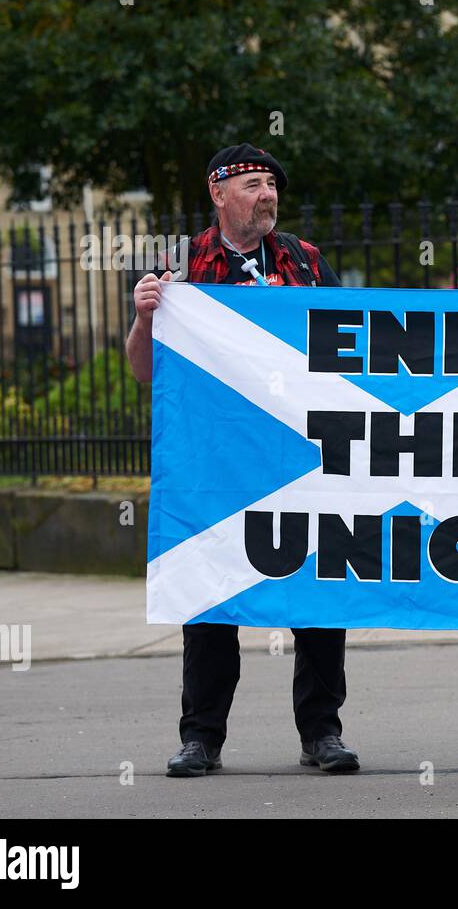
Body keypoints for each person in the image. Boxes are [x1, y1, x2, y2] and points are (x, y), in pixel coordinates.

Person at [126, 143, 359, 777]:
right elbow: (147, 371)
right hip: (217, 466)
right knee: (209, 597)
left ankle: (321, 734)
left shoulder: (306, 263)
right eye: (253, 184)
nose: (267, 195)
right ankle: (201, 737)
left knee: (317, 594)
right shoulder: (181, 270)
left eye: (272, 185)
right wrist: (146, 318)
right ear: (219, 194)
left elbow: (352, 351)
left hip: (304, 458)